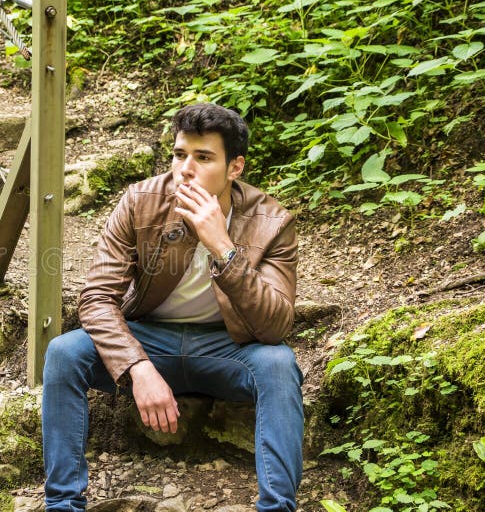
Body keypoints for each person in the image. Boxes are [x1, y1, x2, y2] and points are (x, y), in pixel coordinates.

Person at [41, 103, 303, 512]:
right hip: (150, 340)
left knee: (278, 365)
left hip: (226, 347)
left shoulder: (272, 222)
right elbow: (96, 298)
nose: (185, 169)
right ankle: (62, 505)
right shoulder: (140, 202)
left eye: (203, 158)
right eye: (180, 154)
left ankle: (276, 508)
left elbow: (275, 326)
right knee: (62, 353)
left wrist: (223, 247)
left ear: (235, 168)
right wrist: (137, 366)